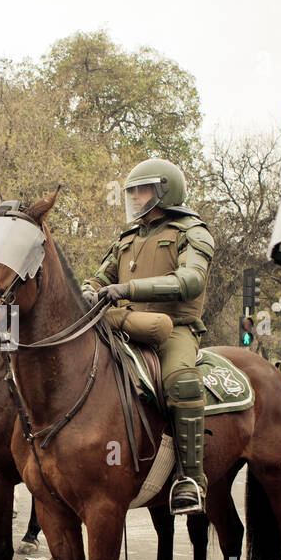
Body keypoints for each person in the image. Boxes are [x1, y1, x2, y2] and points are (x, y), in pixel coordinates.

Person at [82, 157, 215, 514]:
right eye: (133, 192)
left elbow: (191, 281)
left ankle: (191, 479)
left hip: (175, 329)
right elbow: (101, 276)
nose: (136, 198)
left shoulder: (192, 232)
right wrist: (87, 289)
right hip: (123, 323)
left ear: (164, 191)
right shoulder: (127, 238)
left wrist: (128, 289)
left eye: (143, 191)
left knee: (181, 382)